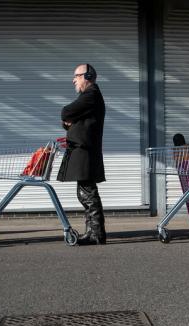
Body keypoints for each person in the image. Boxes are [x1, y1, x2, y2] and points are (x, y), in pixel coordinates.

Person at [57, 64, 107, 245]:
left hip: (86, 151)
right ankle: (93, 231)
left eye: (76, 76)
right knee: (85, 192)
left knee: (88, 192)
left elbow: (66, 112)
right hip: (83, 150)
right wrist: (68, 122)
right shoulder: (88, 96)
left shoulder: (91, 95)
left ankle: (96, 234)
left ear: (87, 76)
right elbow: (67, 120)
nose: (73, 80)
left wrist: (69, 119)